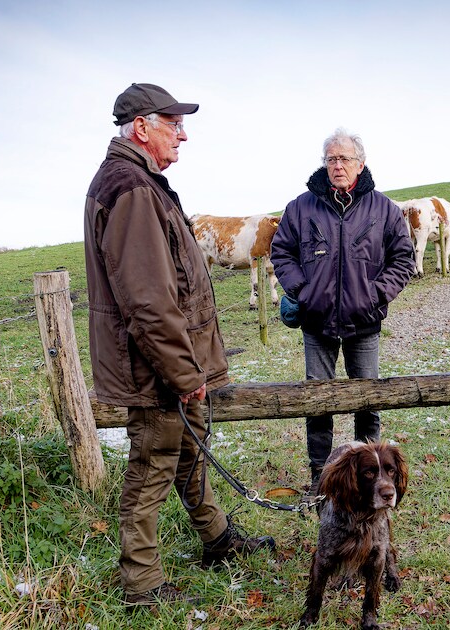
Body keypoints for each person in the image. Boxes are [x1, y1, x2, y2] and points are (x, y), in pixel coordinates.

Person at [83, 83, 275, 608]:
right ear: (142, 128)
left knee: (189, 451)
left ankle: (216, 539)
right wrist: (185, 374)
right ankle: (141, 585)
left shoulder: (136, 182)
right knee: (153, 464)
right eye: (173, 124)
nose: (183, 135)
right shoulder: (133, 189)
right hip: (157, 366)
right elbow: (147, 301)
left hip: (169, 361)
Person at [270, 128, 416, 496]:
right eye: (331, 159)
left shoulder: (383, 209)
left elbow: (403, 259)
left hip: (363, 323)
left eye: (344, 159)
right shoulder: (301, 207)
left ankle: (372, 478)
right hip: (316, 323)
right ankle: (321, 482)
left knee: (368, 401)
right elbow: (282, 252)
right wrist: (302, 291)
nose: (337, 165)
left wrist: (376, 294)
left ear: (360, 164)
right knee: (317, 402)